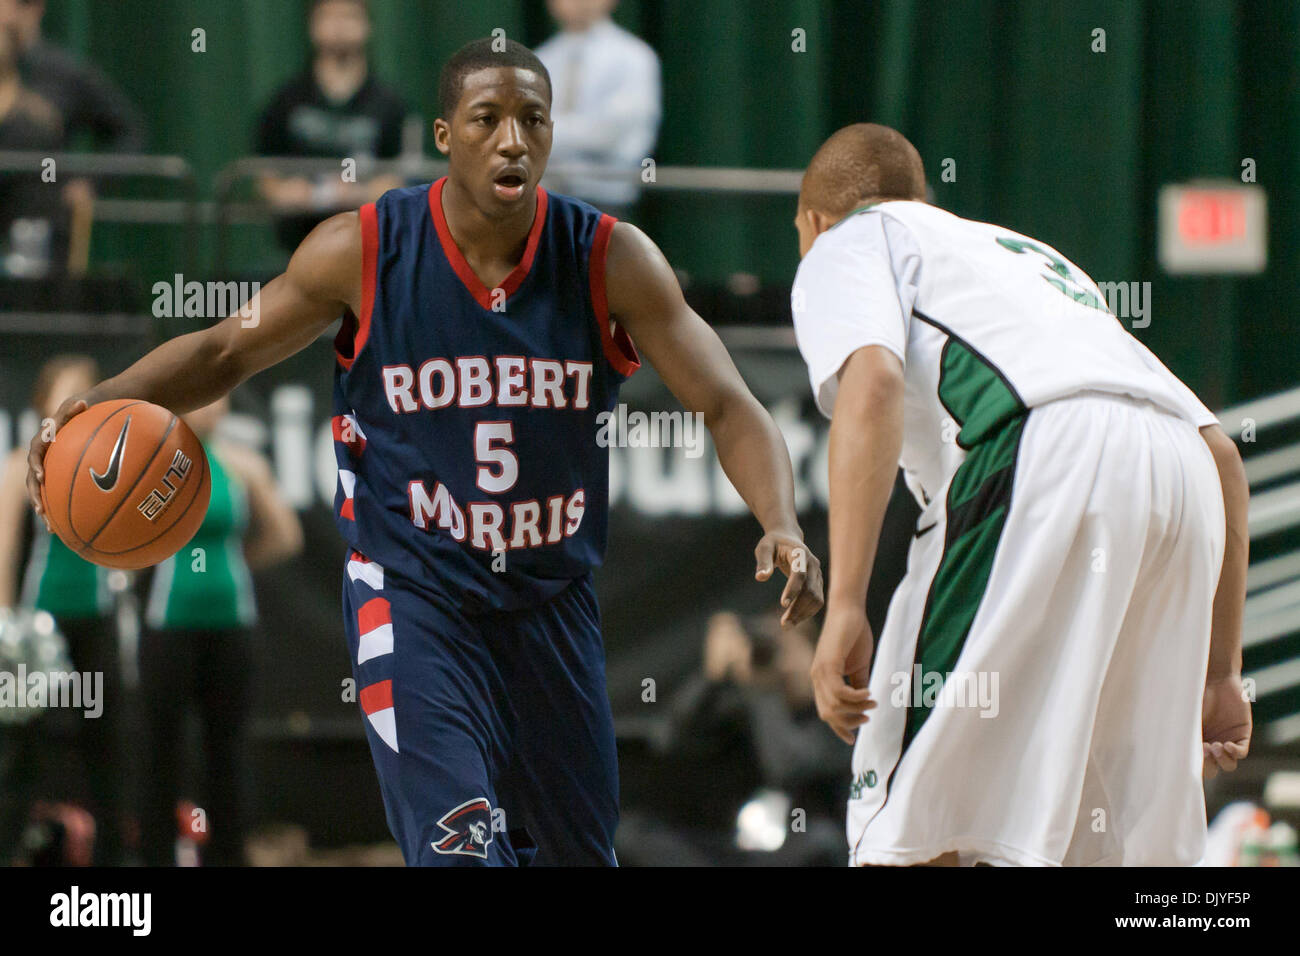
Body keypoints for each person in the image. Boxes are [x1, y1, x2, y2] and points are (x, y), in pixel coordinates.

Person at [28, 38, 824, 867]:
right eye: (489, 118)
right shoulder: (363, 250)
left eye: (533, 120)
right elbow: (227, 350)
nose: (513, 138)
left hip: (549, 604)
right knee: (461, 858)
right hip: (415, 598)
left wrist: (782, 521)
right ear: (445, 135)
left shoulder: (612, 259)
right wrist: (104, 399)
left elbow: (728, 402)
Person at [790, 123, 1251, 867]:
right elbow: (1223, 455)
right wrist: (1222, 670)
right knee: (1101, 843)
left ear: (811, 221)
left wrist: (845, 603)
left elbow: (869, 383)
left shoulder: (848, 240)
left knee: (909, 824)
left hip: (1038, 451)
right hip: (1181, 475)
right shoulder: (1030, 259)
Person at [138, 396, 302, 867]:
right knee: (160, 749)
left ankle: (227, 857)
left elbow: (286, 534)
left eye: (218, 400)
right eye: (198, 400)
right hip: (167, 626)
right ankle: (155, 858)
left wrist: (234, 566)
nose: (209, 409)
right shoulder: (153, 468)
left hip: (231, 626)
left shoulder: (241, 464)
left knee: (226, 750)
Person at [0, 355, 126, 864]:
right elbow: (6, 546)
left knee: (107, 743)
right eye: (66, 391)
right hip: (37, 628)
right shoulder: (17, 467)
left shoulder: (114, 465)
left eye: (86, 391)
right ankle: (10, 848)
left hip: (96, 622)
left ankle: (113, 859)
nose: (76, 401)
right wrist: (6, 622)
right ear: (41, 400)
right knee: (20, 748)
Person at [256, 0, 407, 252]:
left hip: (368, 247)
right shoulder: (285, 101)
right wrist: (289, 193)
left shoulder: (391, 105)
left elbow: (401, 179)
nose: (339, 26)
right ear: (312, 25)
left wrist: (360, 193)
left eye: (349, 16)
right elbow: (264, 177)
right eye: (329, 16)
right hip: (296, 247)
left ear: (367, 25)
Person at [535, 0, 660, 218]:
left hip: (606, 201)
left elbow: (606, 134)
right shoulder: (541, 59)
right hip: (547, 201)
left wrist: (545, 132)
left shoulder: (634, 57)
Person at [0, 0, 146, 151]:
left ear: (34, 9)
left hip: (44, 173)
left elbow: (128, 132)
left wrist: (89, 175)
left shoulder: (63, 72)